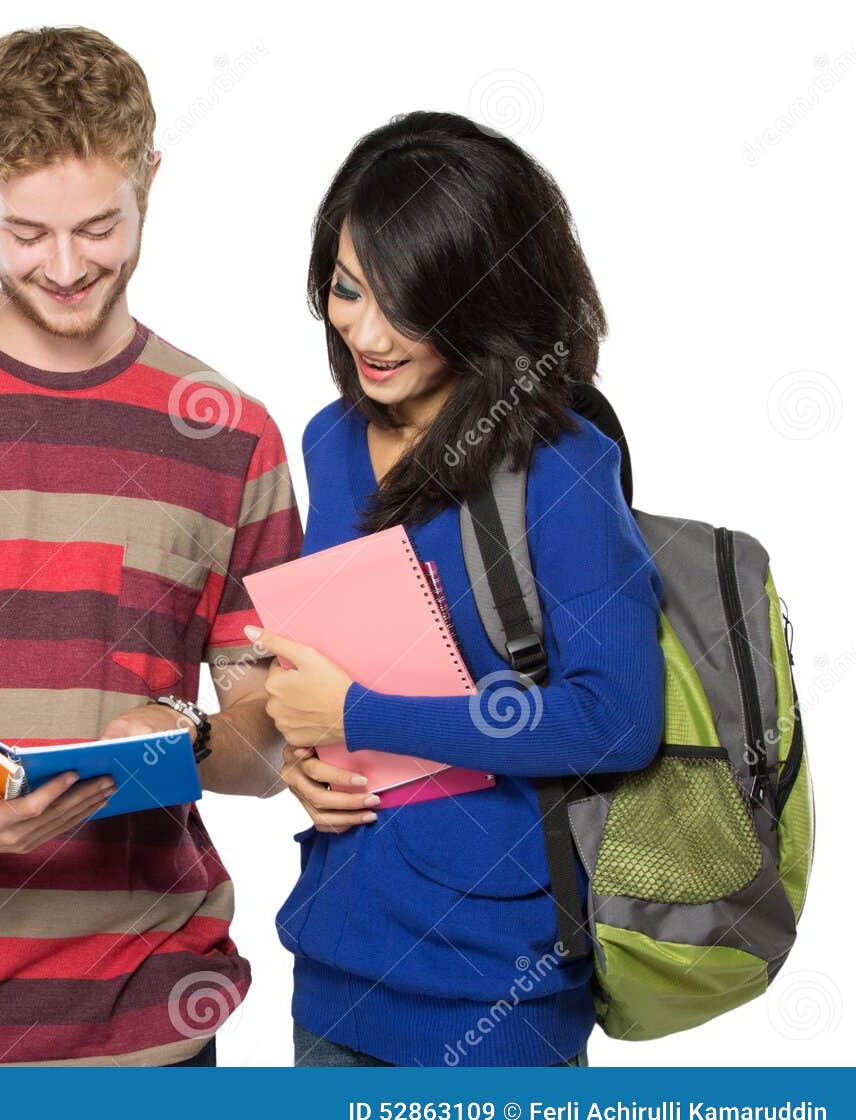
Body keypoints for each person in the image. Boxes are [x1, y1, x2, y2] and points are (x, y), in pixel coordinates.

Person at [0, 26, 303, 1066]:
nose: (69, 267)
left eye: (99, 226)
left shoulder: (230, 431)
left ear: (150, 183)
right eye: (27, 233)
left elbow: (271, 745)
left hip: (149, 1032)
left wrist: (182, 740)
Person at [254, 112, 664, 1067]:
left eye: (405, 304)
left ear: (483, 300)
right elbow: (344, 664)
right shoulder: (330, 437)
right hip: (335, 965)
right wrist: (306, 757)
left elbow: (616, 717)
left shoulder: (558, 466)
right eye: (346, 291)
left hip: (494, 986)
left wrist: (362, 711)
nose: (363, 329)